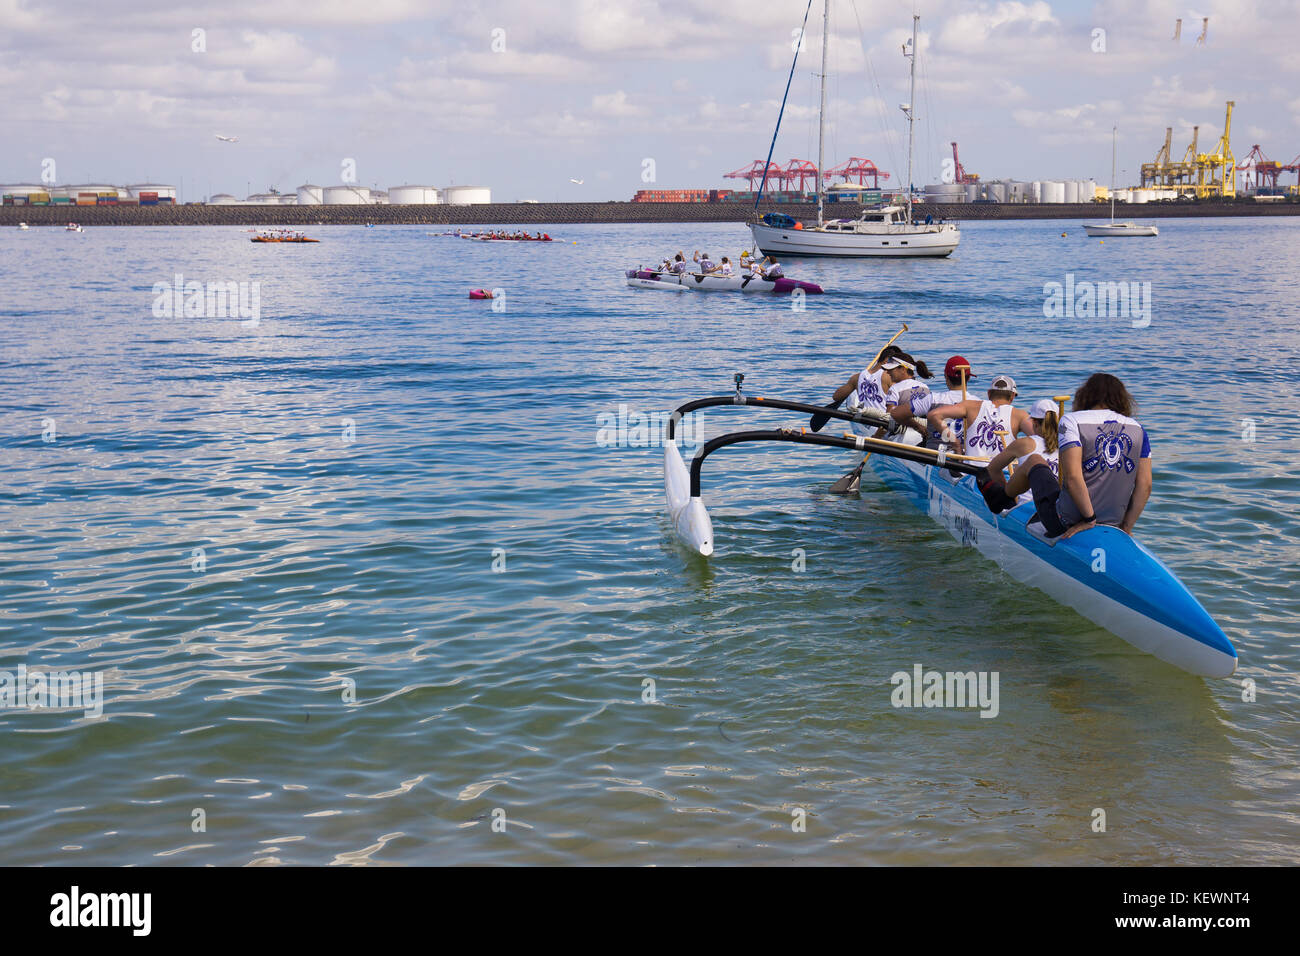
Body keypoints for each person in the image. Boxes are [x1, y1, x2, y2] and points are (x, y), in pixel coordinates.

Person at [978, 374, 1151, 539]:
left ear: (1086, 395)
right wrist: (1126, 527)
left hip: (1064, 521)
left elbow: (1073, 478)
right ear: (1121, 398)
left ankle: (1000, 499)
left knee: (1035, 460)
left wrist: (1090, 520)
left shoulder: (1072, 420)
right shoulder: (1139, 429)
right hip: (1114, 523)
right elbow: (1145, 485)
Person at [926, 373, 1034, 461]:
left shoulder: (970, 406)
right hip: (1004, 473)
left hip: (971, 472)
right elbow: (1041, 437)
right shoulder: (1020, 415)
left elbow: (933, 415)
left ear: (989, 393)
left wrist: (955, 443)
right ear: (1012, 396)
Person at [893, 355, 976, 448]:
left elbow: (896, 414)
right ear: (968, 378)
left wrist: (917, 426)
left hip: (934, 457)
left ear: (946, 377)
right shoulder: (979, 403)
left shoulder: (932, 399)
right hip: (966, 458)